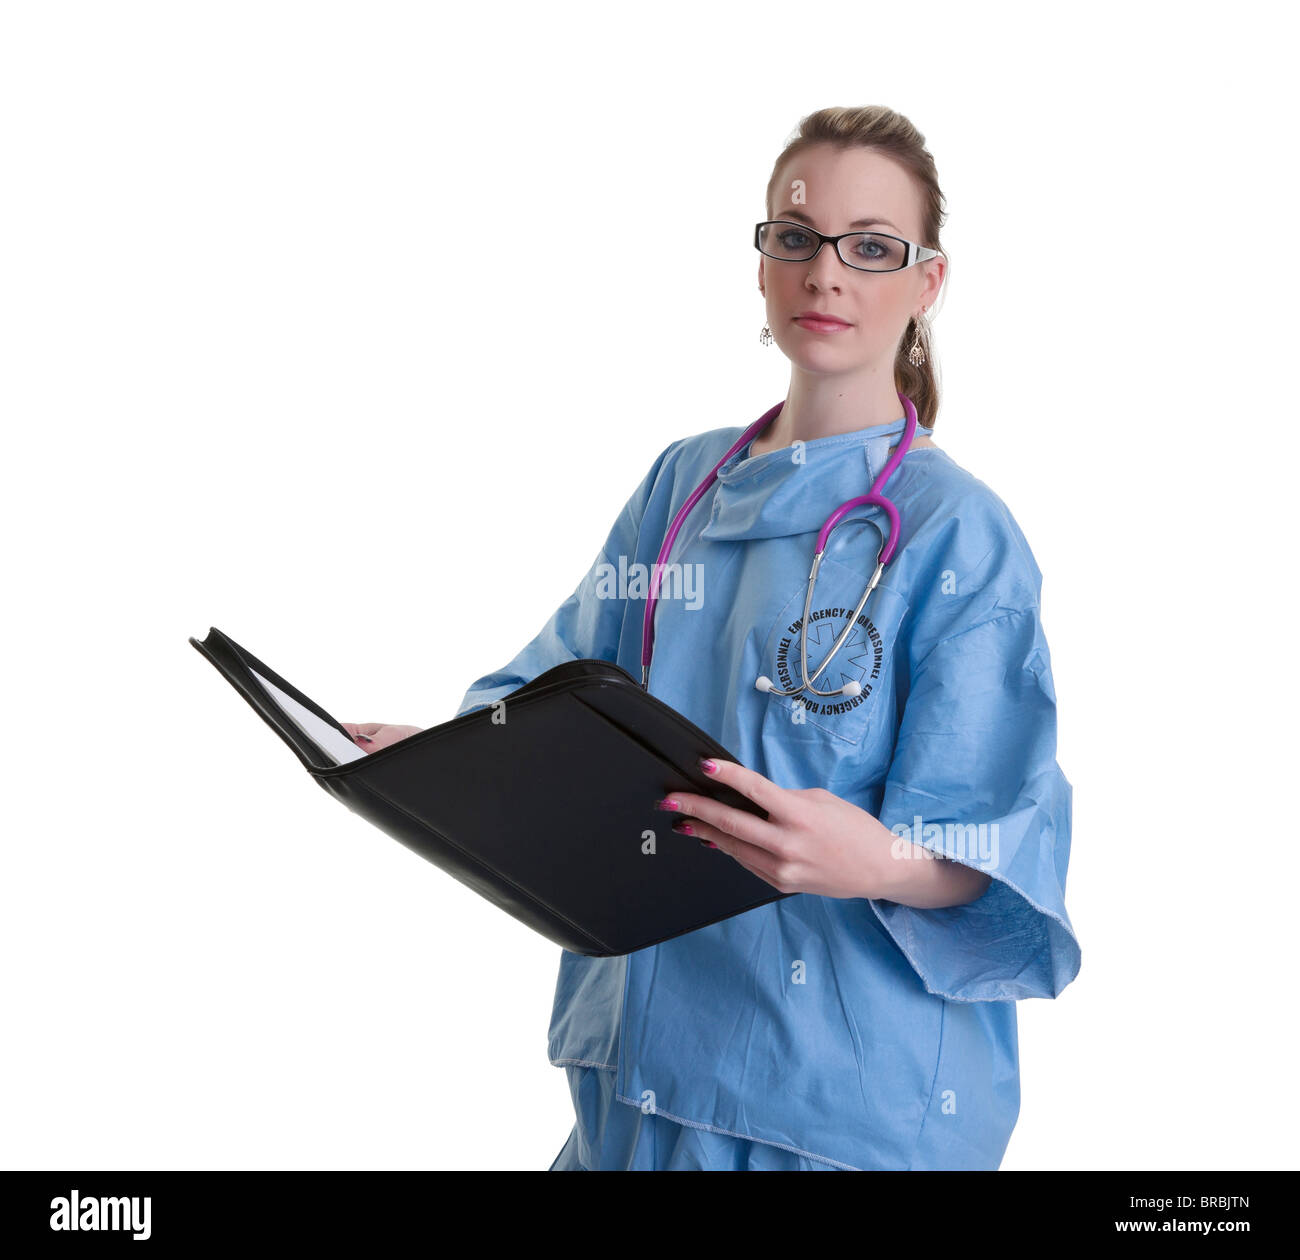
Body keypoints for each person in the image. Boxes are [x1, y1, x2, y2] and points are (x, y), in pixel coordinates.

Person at [343, 104, 1081, 1171]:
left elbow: (998, 847)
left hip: (829, 1107)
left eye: (872, 248)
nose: (826, 274)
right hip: (634, 1081)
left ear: (928, 282)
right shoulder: (685, 486)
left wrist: (868, 858)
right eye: (797, 237)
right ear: (762, 262)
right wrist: (449, 759)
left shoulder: (955, 533)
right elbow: (561, 695)